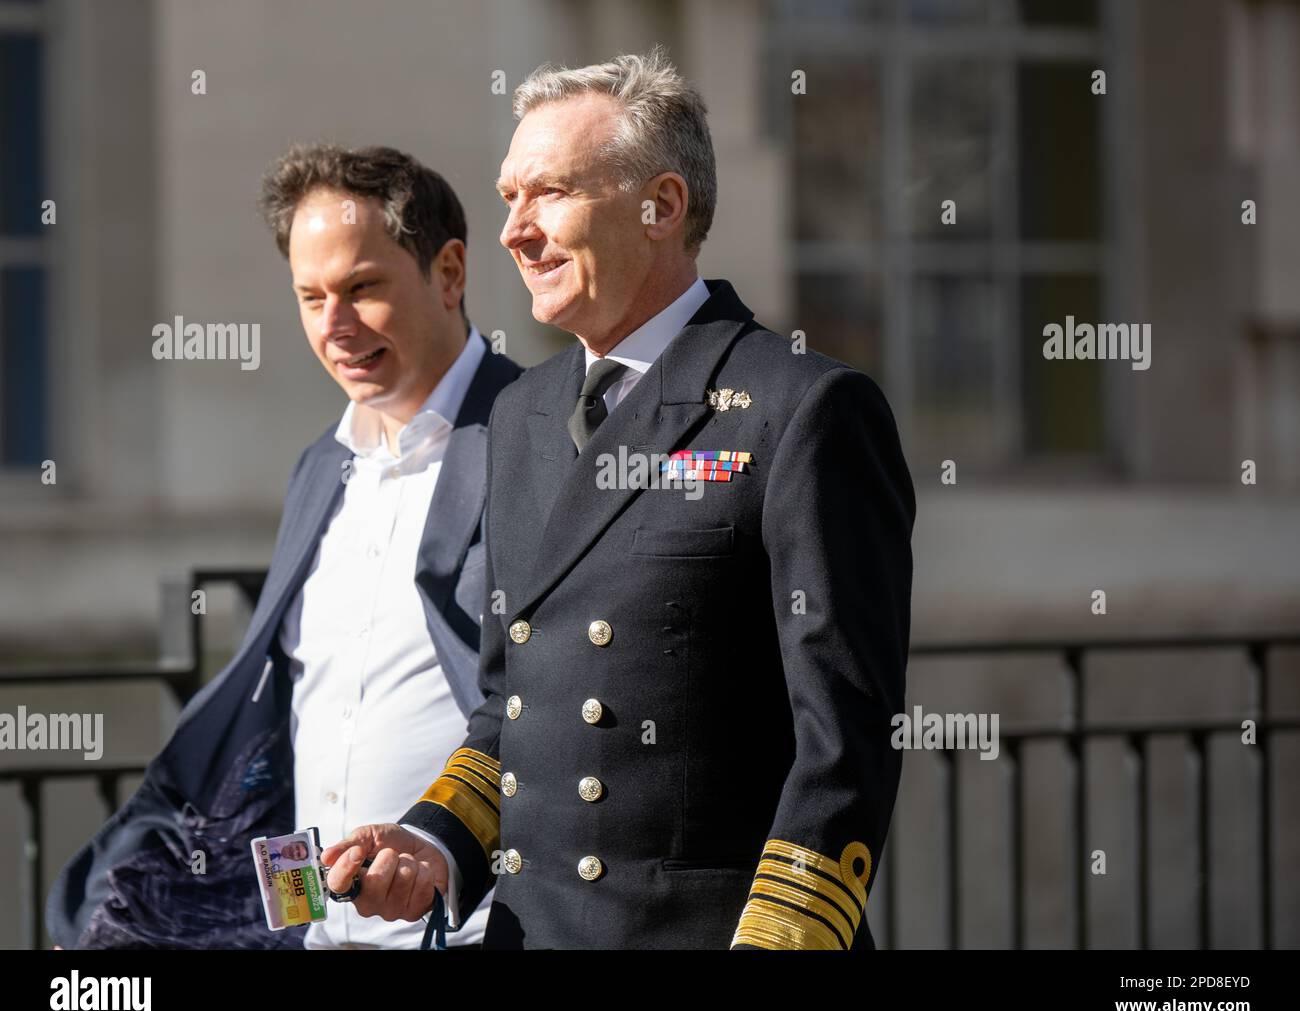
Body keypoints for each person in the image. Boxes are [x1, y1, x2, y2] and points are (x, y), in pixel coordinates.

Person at [324, 48, 915, 950]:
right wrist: (433, 842)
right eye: (508, 197)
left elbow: (844, 737)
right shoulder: (520, 414)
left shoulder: (803, 408)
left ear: (662, 207)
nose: (516, 231)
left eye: (550, 193)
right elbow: (511, 705)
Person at [46, 144, 519, 949]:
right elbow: (296, 729)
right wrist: (282, 924)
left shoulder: (535, 437)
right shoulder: (321, 467)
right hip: (314, 935)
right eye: (310, 297)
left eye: (362, 289)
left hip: (471, 934)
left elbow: (551, 703)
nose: (333, 326)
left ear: (449, 272)